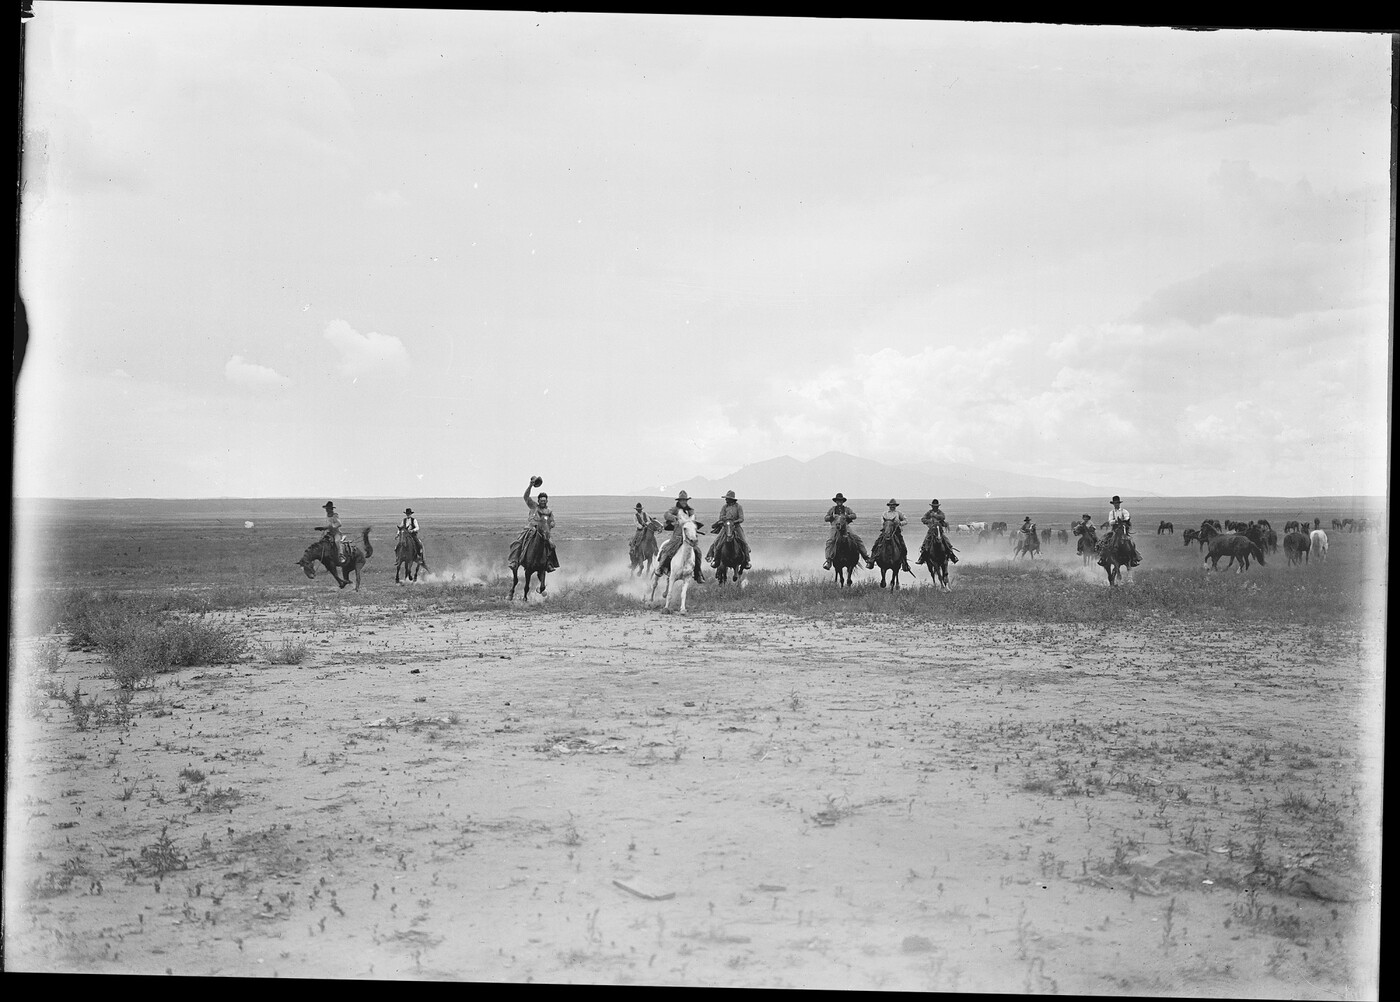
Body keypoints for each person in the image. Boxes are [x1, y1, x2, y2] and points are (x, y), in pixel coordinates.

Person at [508, 478, 559, 572]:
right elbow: (526, 497)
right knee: (518, 542)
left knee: (552, 546)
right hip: (530, 529)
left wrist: (552, 524)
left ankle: (550, 564)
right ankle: (514, 561)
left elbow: (552, 521)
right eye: (541, 500)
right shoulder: (533, 506)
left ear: (547, 501)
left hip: (543, 532)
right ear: (538, 501)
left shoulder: (549, 511)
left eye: (544, 500)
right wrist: (530, 486)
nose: (543, 502)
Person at [657, 491, 704, 583]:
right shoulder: (675, 509)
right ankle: (661, 568)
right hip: (677, 536)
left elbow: (694, 518)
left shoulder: (690, 510)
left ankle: (698, 573)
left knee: (698, 552)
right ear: (679, 500)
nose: (683, 502)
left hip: (688, 537)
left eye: (685, 500)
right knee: (668, 549)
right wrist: (674, 518)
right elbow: (666, 514)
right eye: (682, 500)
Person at [824, 493, 875, 570]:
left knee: (857, 539)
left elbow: (854, 515)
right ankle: (829, 560)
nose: (839, 502)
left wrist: (847, 516)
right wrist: (831, 517)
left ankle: (866, 558)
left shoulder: (847, 509)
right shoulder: (832, 510)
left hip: (845, 527)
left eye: (840, 500)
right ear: (836, 501)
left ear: (843, 501)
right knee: (830, 541)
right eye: (838, 500)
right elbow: (825, 518)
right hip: (834, 527)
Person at [706, 490, 752, 570]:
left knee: (744, 542)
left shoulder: (738, 507)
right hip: (725, 527)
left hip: (736, 527)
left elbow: (741, 518)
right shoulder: (724, 507)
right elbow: (721, 516)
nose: (726, 500)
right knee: (717, 541)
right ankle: (715, 559)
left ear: (731, 499)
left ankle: (747, 561)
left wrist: (733, 522)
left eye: (727, 498)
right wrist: (725, 520)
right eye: (726, 498)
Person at [876, 499, 913, 573]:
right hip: (886, 532)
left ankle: (904, 563)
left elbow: (906, 521)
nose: (892, 506)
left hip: (896, 532)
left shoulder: (899, 513)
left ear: (895, 506)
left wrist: (900, 523)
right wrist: (887, 525)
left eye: (893, 505)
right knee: (876, 544)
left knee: (903, 547)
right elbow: (883, 522)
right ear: (889, 506)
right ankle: (872, 559)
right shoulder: (885, 514)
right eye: (891, 505)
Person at [920, 499, 959, 563]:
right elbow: (923, 519)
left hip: (939, 531)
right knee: (925, 543)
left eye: (936, 506)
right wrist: (929, 521)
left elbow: (943, 517)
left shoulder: (940, 512)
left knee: (947, 542)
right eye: (934, 506)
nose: (935, 507)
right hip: (931, 531)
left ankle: (952, 556)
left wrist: (935, 516)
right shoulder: (929, 512)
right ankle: (922, 558)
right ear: (932, 506)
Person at [1108, 496, 1142, 566]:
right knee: (1106, 540)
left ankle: (1134, 557)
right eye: (1115, 503)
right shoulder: (1111, 512)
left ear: (1119, 503)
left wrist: (1123, 520)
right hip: (1115, 529)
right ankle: (1105, 557)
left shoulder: (1124, 511)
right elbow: (1110, 521)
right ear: (1113, 504)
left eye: (1117, 503)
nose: (1116, 504)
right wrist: (1116, 521)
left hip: (1123, 529)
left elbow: (1127, 517)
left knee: (1130, 541)